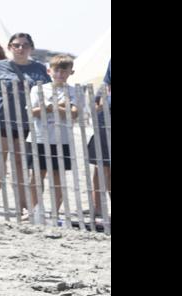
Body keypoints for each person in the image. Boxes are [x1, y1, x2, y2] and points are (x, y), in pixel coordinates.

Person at [0, 31, 48, 220]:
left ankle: (23, 206)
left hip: (27, 125)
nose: (20, 48)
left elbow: (47, 92)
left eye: (24, 45)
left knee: (20, 165)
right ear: (10, 47)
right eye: (16, 45)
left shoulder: (39, 69)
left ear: (31, 48)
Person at [27, 54, 80, 226]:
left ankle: (56, 213)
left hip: (61, 140)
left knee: (58, 177)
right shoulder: (38, 89)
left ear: (71, 72)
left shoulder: (74, 91)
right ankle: (34, 211)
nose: (60, 74)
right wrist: (59, 106)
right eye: (57, 71)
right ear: (49, 71)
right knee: (36, 175)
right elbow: (32, 111)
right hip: (39, 138)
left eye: (64, 71)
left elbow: (74, 114)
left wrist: (51, 107)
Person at [86, 58, 109, 229]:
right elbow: (106, 84)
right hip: (106, 119)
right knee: (102, 166)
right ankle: (98, 209)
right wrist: (98, 100)